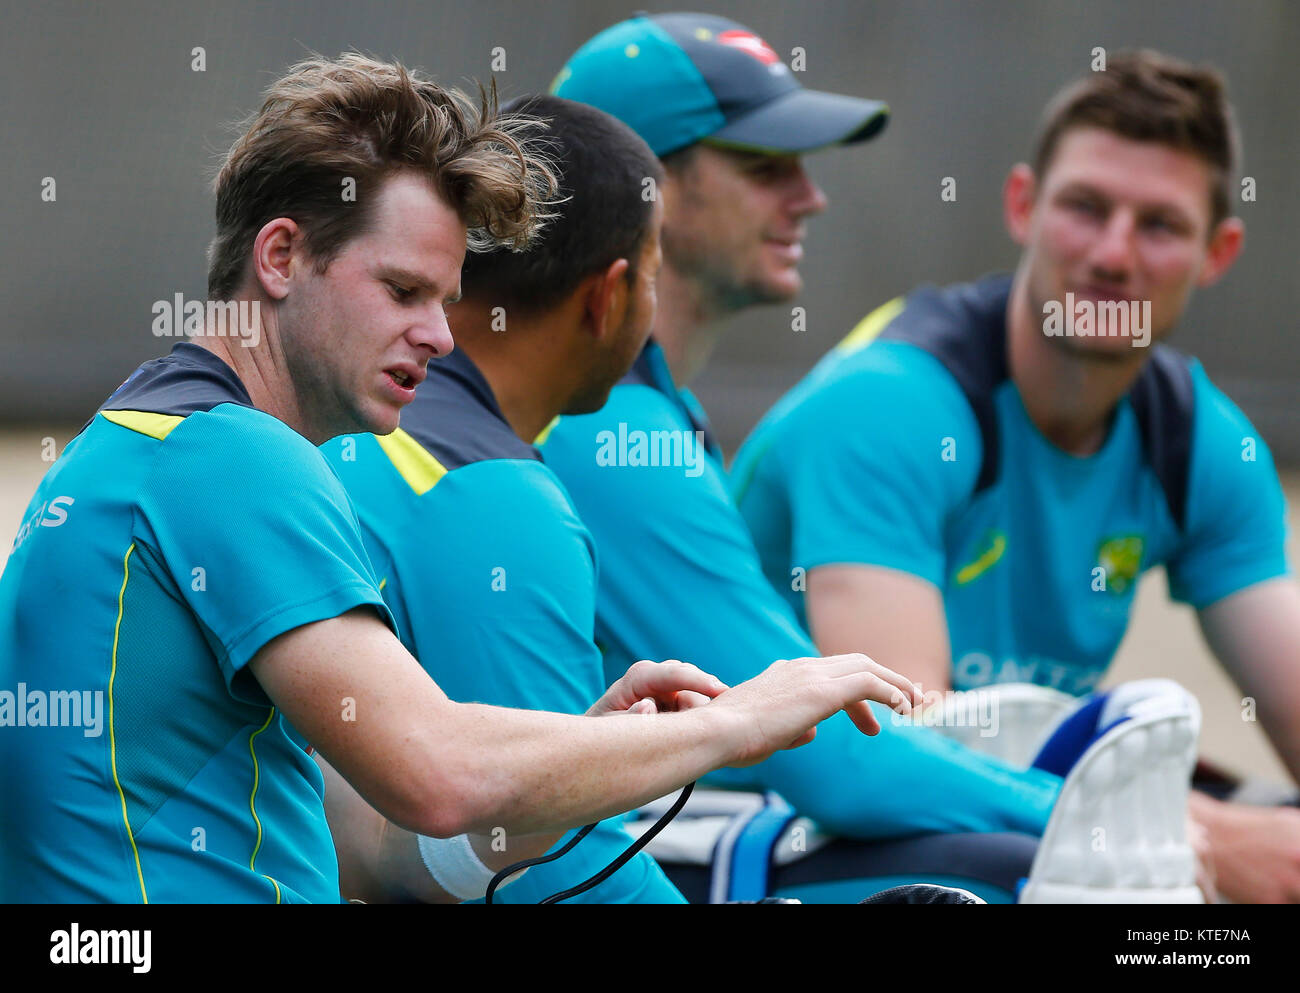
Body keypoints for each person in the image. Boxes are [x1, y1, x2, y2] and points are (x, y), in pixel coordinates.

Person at [0, 54, 917, 903]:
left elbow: (375, 843)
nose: (441, 336)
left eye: (445, 300)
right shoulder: (233, 457)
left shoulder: (142, 434)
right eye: (403, 291)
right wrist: (739, 720)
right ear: (279, 258)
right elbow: (436, 774)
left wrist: (594, 750)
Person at [731, 49, 1300, 903]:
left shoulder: (1202, 443)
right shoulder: (892, 405)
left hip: (1000, 805)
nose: (1113, 253)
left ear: (1218, 251)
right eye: (1085, 208)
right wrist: (1206, 837)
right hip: (758, 814)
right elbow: (919, 754)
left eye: (1159, 225)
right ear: (1022, 204)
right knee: (1109, 877)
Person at [540, 13, 1062, 902]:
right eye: (765, 166)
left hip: (550, 844)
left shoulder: (636, 408)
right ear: (646, 193)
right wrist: (1093, 809)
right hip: (513, 867)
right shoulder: (606, 429)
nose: (810, 197)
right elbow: (836, 765)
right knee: (1031, 870)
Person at [323, 94, 687, 902]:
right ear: (609, 295)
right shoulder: (494, 496)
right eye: (658, 277)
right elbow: (549, 876)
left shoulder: (327, 414)